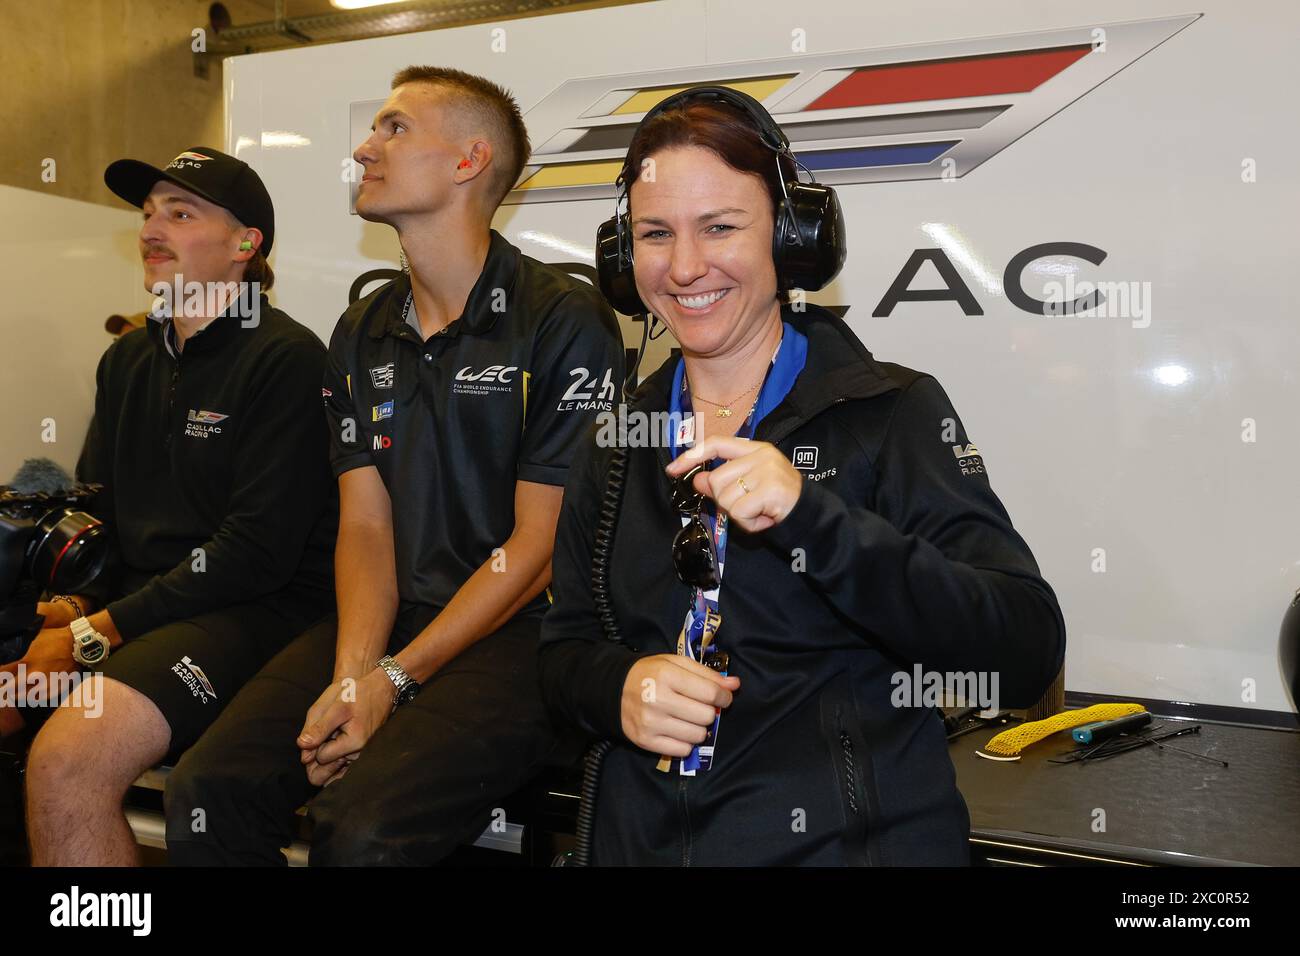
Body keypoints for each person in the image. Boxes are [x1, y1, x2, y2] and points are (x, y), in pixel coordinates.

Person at [538, 88, 1067, 866]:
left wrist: (817, 522)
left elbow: (1022, 650)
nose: (685, 267)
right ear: (624, 259)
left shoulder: (890, 413)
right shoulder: (618, 438)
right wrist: (614, 687)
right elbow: (561, 653)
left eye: (720, 227)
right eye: (656, 234)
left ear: (790, 240)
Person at [163, 66, 624, 865]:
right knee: (211, 790)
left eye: (394, 128)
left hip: (525, 638)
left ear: (468, 161)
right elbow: (367, 525)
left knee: (362, 831)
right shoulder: (361, 330)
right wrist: (352, 676)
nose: (364, 147)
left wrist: (393, 684)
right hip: (392, 620)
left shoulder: (562, 318)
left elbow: (538, 542)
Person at [19, 147, 337, 865]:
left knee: (68, 760)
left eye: (181, 212)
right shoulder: (128, 359)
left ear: (245, 245)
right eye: (148, 212)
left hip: (257, 615)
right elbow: (98, 515)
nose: (152, 229)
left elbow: (252, 555)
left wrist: (93, 632)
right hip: (142, 608)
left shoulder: (288, 359)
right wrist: (68, 608)